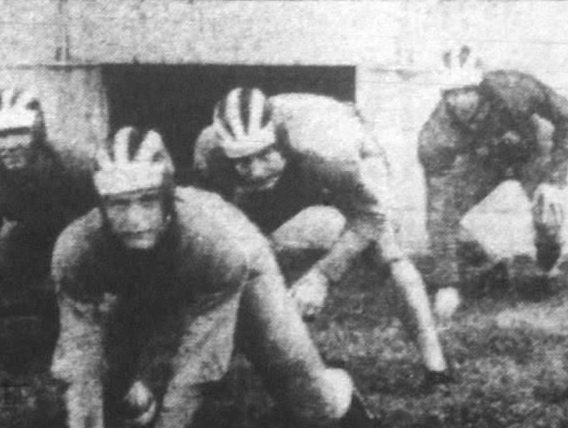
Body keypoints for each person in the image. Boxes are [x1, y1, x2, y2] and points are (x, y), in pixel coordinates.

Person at [55, 127, 371, 428]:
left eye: (147, 201)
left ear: (167, 196)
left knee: (313, 408)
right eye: (118, 205)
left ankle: (338, 385)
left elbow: (199, 367)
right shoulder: (76, 248)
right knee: (105, 376)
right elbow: (80, 360)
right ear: (99, 205)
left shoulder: (215, 246)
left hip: (237, 264)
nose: (134, 220)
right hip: (152, 276)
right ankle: (141, 402)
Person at [193, 87, 452, 386]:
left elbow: (371, 215)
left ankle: (437, 369)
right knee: (234, 253)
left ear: (277, 136)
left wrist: (322, 275)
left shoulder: (326, 149)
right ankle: (225, 363)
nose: (256, 170)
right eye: (243, 160)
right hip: (293, 167)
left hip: (346, 157)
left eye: (264, 154)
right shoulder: (210, 150)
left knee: (388, 255)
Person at [0, 87, 97, 387]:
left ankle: (76, 339)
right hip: (28, 236)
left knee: (80, 258)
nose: (10, 145)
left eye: (19, 132)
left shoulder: (81, 166)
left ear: (39, 133)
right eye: (0, 135)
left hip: (83, 233)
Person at [418, 46, 568, 318]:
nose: (460, 101)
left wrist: (554, 180)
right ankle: (486, 266)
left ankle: (547, 268)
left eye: (467, 90)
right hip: (486, 161)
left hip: (531, 152)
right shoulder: (435, 136)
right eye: (452, 94)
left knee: (548, 214)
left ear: (480, 87)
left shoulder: (515, 87)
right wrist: (447, 283)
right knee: (442, 215)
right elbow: (438, 208)